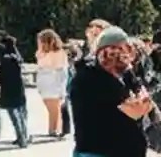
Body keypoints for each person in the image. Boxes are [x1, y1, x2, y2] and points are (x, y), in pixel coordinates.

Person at [70, 25, 149, 157]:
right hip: (98, 150)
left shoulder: (126, 73)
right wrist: (134, 108)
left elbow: (140, 95)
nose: (117, 56)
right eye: (113, 51)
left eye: (122, 50)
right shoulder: (87, 77)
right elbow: (114, 110)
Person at [0, 34, 29, 147]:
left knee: (14, 115)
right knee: (21, 114)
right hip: (18, 87)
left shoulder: (5, 59)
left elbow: (1, 76)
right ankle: (23, 136)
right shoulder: (16, 57)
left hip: (8, 89)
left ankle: (21, 138)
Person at [34, 28, 68, 138]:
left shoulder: (59, 53)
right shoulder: (41, 53)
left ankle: (55, 130)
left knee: (55, 108)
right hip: (44, 84)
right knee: (50, 108)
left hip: (54, 83)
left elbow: (61, 71)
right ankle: (53, 129)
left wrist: (62, 87)